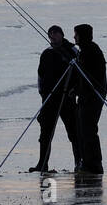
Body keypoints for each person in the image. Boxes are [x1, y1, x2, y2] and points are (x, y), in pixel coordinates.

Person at [31, 25, 80, 173]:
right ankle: (42, 163)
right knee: (45, 132)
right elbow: (40, 75)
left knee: (74, 132)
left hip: (67, 98)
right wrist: (42, 92)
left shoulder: (73, 51)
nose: (53, 36)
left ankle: (79, 162)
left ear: (62, 34)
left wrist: (74, 91)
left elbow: (79, 74)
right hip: (49, 98)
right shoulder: (46, 53)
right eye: (50, 34)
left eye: (56, 33)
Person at [72, 24, 107, 174]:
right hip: (87, 96)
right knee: (83, 130)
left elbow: (93, 78)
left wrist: (80, 91)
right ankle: (87, 162)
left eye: (76, 35)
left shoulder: (91, 51)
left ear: (83, 35)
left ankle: (94, 164)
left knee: (88, 130)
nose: (74, 37)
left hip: (93, 97)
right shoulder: (85, 50)